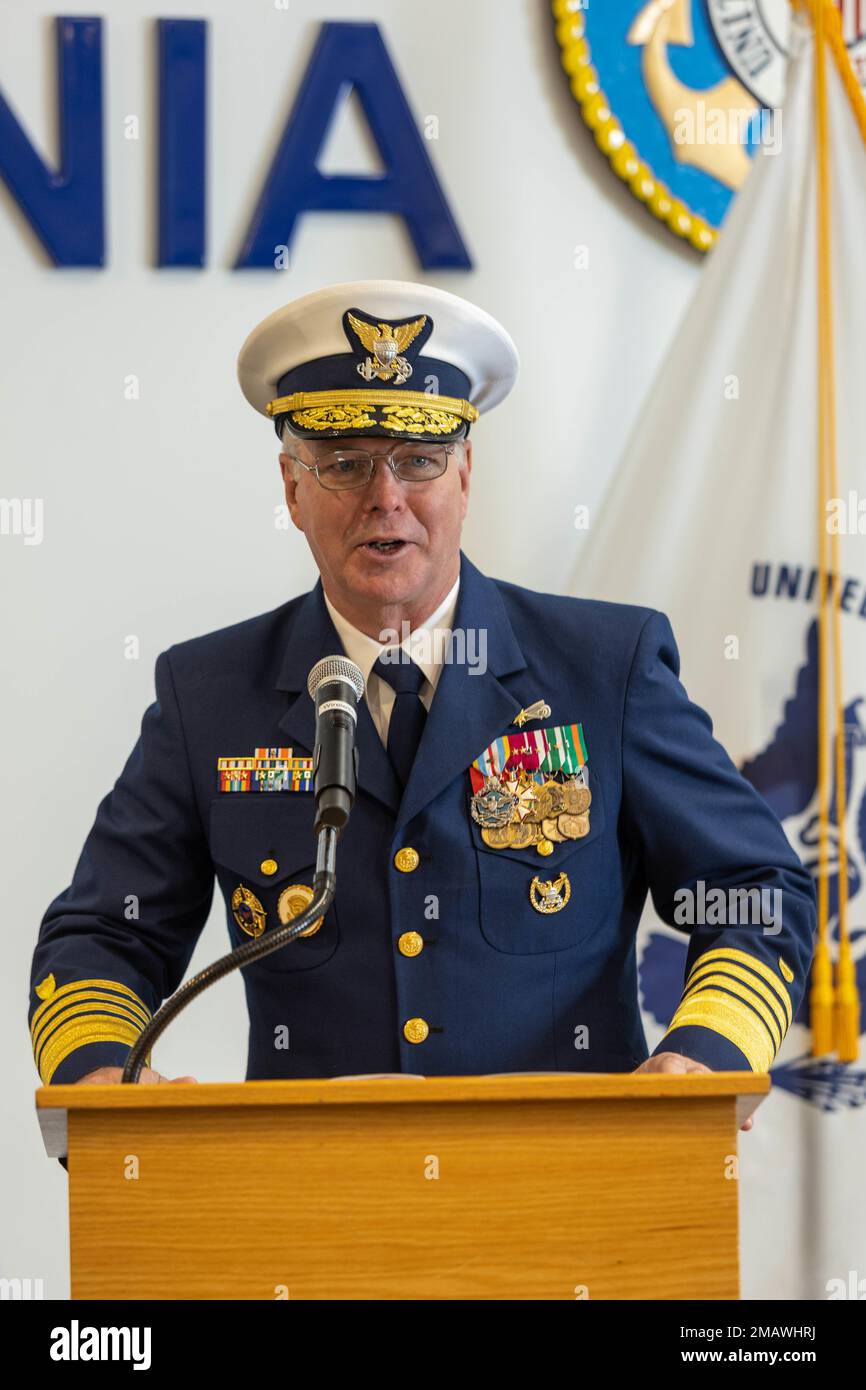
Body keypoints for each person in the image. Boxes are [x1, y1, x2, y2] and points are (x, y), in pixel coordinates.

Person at [29, 280, 815, 1106]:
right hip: (316, 1207)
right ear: (292, 489)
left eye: (419, 460)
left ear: (466, 475)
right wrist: (102, 1070)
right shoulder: (209, 697)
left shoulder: (604, 669)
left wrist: (705, 1049)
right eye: (344, 464)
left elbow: (755, 889)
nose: (386, 498)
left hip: (572, 1195)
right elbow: (102, 933)